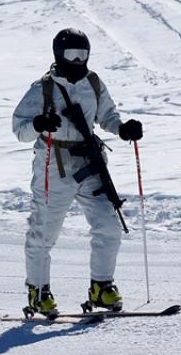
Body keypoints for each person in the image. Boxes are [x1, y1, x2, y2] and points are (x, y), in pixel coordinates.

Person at [11, 28, 144, 316]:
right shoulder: (42, 89)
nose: (77, 60)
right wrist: (38, 124)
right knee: (44, 230)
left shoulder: (93, 83)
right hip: (53, 163)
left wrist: (122, 129)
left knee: (108, 226)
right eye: (71, 54)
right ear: (59, 55)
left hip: (89, 162)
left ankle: (102, 287)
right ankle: (38, 291)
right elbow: (19, 129)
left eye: (82, 54)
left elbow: (107, 115)